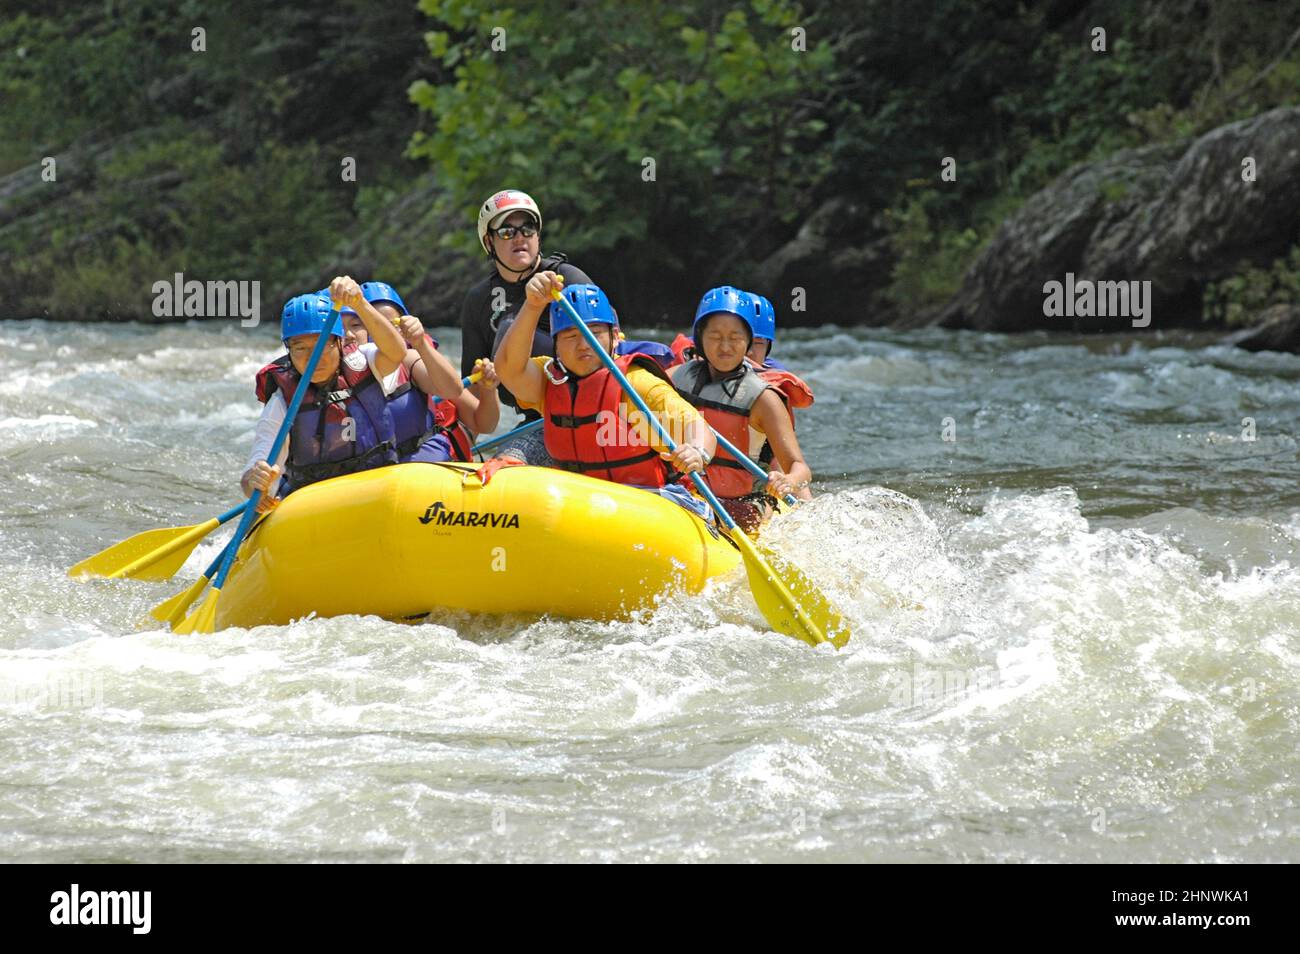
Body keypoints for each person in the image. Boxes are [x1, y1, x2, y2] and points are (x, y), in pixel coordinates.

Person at [492, 275, 717, 519]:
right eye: (571, 336)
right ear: (556, 345)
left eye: (595, 333)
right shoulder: (549, 380)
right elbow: (508, 369)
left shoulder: (635, 385)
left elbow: (697, 427)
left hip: (645, 502)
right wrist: (533, 306)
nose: (583, 344)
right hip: (577, 502)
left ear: (614, 337)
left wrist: (697, 452)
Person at [241, 278, 409, 511]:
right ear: (288, 351)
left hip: (375, 487)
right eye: (301, 348)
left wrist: (360, 304)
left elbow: (397, 351)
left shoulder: (364, 362)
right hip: (316, 503)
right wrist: (255, 481)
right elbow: (252, 476)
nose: (313, 357)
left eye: (323, 345)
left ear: (339, 343)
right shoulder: (282, 400)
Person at [459, 189, 593, 464]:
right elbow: (471, 395)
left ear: (537, 236)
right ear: (490, 241)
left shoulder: (567, 278)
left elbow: (610, 344)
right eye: (507, 231)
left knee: (509, 327)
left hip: (585, 410)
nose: (520, 237)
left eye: (527, 229)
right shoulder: (478, 300)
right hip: (535, 422)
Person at [670, 286, 813, 531]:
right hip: (685, 494)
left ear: (748, 342)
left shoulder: (764, 398)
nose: (725, 346)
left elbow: (800, 468)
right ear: (700, 339)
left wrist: (788, 481)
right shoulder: (677, 378)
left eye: (735, 338)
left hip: (741, 505)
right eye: (715, 337)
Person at [352, 281, 500, 461]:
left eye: (393, 325)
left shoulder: (419, 365)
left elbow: (484, 423)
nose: (382, 336)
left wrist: (488, 390)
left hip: (432, 467)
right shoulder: (342, 371)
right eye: (373, 326)